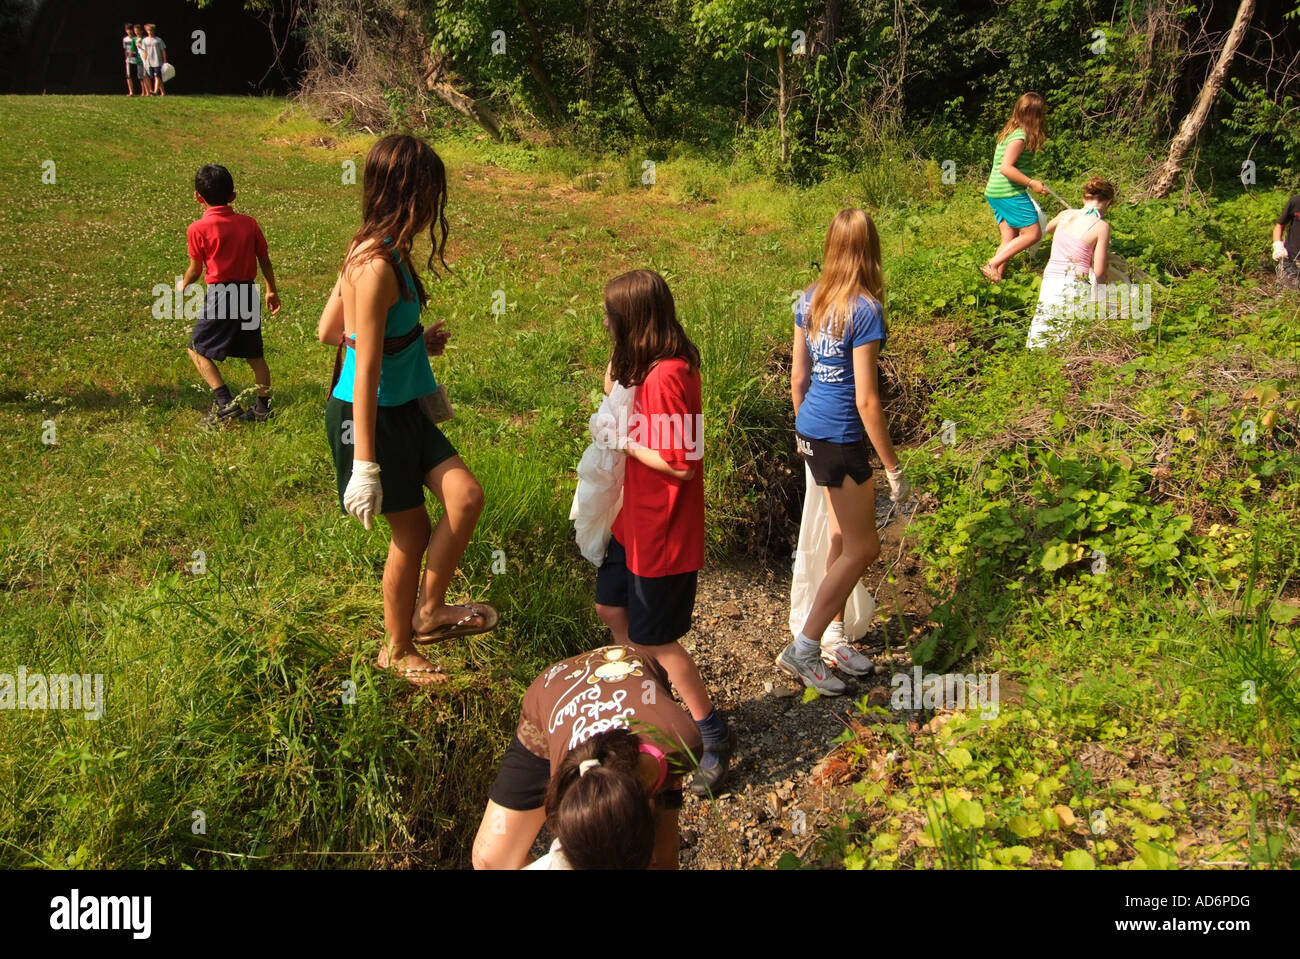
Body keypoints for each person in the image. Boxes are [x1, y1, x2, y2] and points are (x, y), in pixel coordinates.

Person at [317, 134, 495, 687]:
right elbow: (362, 369)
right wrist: (365, 465)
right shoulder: (374, 265)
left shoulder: (384, 249)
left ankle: (429, 612)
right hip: (366, 416)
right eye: (429, 194)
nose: (434, 208)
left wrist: (412, 341)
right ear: (407, 193)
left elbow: (329, 330)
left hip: (403, 407)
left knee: (465, 497)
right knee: (411, 532)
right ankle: (395, 649)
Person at [592, 269, 734, 796]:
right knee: (611, 607)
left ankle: (712, 733)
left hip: (663, 529)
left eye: (612, 316)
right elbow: (614, 385)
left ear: (634, 321)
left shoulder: (669, 375)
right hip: (634, 521)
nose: (605, 322)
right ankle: (653, 706)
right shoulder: (650, 365)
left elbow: (682, 464)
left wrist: (621, 440)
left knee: (657, 637)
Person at [780, 209, 910, 696]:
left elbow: (798, 378)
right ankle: (804, 647)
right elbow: (866, 399)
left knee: (839, 536)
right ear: (870, 248)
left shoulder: (808, 298)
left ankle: (831, 636)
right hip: (840, 434)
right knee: (865, 548)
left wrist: (801, 427)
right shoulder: (865, 309)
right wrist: (894, 468)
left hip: (813, 428)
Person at [471, 645, 702, 869]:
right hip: (554, 688)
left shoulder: (682, 745)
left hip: (627, 664)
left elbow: (663, 860)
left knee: (661, 861)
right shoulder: (566, 795)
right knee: (489, 861)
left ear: (650, 806)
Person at [179, 164, 280, 424]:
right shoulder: (249, 224)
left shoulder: (197, 229)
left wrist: (184, 284)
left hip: (221, 295)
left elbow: (195, 269)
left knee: (196, 349)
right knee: (255, 356)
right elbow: (264, 259)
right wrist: (271, 290)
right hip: (248, 293)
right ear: (233, 196)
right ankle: (262, 409)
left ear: (197, 197)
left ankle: (225, 404)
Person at [1026, 177, 1115, 349]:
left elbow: (1048, 229)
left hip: (1051, 279)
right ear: (1109, 202)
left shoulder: (1065, 215)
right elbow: (1099, 270)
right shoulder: (1101, 226)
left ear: (1084, 199)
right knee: (1070, 337)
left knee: (1044, 326)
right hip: (1076, 283)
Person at [982, 92, 1050, 283]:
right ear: (1033, 114)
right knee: (1033, 233)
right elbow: (1006, 168)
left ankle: (994, 281)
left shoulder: (1014, 133)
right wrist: (1031, 183)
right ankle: (993, 264)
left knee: (1009, 237)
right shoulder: (1019, 137)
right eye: (1040, 113)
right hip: (1008, 192)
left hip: (996, 192)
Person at [1272, 194, 1300, 291]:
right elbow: (1279, 226)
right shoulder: (1296, 201)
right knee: (1289, 293)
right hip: (1292, 257)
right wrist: (1277, 245)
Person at [139, 24, 167, 97]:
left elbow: (163, 50)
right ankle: (163, 93)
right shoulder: (145, 40)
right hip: (149, 61)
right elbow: (145, 51)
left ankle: (155, 91)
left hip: (158, 61)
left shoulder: (158, 40)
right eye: (148, 30)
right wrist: (145, 61)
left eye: (151, 30)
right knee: (157, 77)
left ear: (154, 30)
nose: (150, 32)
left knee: (157, 76)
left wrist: (165, 60)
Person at [122, 23, 141, 97]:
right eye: (127, 30)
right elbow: (125, 50)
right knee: (128, 76)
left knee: (140, 76)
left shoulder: (136, 38)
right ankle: (131, 92)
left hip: (137, 59)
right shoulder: (125, 39)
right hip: (129, 60)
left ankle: (143, 91)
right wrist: (126, 58)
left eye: (130, 30)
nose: (129, 31)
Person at [133, 26, 151, 97]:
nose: (137, 32)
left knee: (146, 75)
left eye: (138, 30)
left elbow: (147, 49)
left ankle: (149, 91)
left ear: (141, 31)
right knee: (141, 76)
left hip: (145, 59)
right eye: (135, 31)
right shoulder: (134, 39)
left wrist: (141, 45)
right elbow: (133, 49)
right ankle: (143, 91)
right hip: (139, 59)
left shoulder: (145, 39)